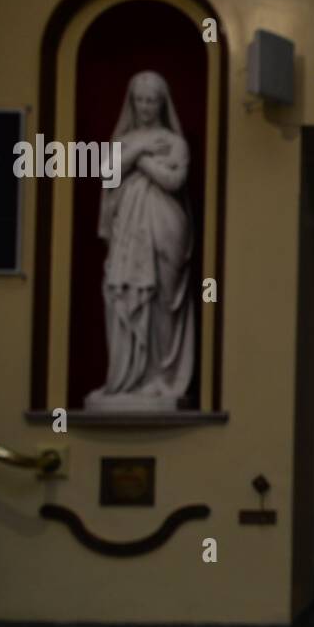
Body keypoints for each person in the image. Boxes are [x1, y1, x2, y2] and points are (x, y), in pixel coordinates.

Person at [85, 71, 195, 410]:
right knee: (124, 296)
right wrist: (140, 150)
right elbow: (108, 172)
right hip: (128, 236)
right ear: (132, 102)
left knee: (162, 300)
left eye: (153, 100)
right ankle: (125, 380)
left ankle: (161, 378)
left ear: (163, 103)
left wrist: (140, 158)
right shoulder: (122, 141)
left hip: (165, 228)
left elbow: (174, 180)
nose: (146, 106)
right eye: (141, 100)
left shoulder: (174, 142)